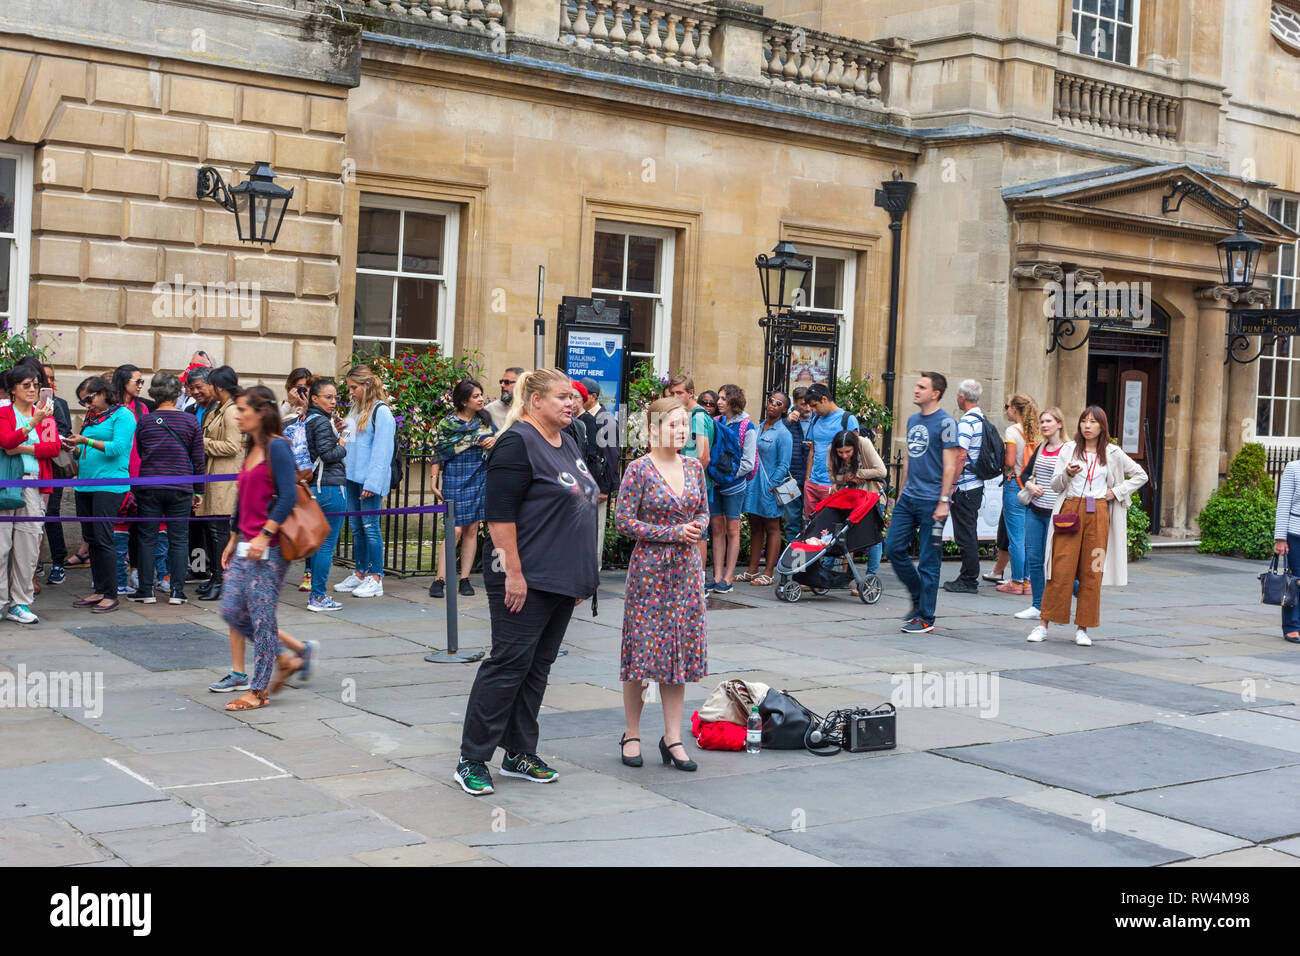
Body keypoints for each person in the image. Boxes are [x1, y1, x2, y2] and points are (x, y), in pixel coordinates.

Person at [455, 368, 599, 796]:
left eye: (572, 397)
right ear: (535, 401)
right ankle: (472, 758)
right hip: (522, 576)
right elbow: (499, 516)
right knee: (508, 664)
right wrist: (513, 573)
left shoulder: (568, 440)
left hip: (560, 579)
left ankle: (518, 751)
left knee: (537, 667)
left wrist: (576, 580)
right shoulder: (517, 442)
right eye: (560, 397)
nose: (570, 403)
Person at [616, 397, 708, 771]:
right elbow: (623, 521)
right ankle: (632, 733)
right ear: (653, 429)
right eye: (674, 425)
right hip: (650, 573)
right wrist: (671, 532)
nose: (681, 431)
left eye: (684, 425)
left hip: (685, 571)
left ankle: (673, 738)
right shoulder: (639, 469)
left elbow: (703, 509)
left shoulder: (693, 468)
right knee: (641, 655)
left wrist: (697, 526)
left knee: (678, 656)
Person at [218, 386, 318, 711]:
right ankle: (285, 658)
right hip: (247, 543)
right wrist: (234, 538)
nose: (237, 414)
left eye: (243, 409)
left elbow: (287, 496)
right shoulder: (253, 447)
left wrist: (264, 535)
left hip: (269, 546)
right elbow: (243, 498)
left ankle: (258, 690)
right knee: (232, 610)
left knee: (262, 617)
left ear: (260, 412)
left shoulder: (277, 447)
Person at [1028, 406, 1147, 646]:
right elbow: (1055, 485)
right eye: (1084, 421)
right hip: (1071, 510)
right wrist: (1068, 474)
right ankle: (1044, 624)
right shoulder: (1069, 450)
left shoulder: (1112, 452)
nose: (1087, 426)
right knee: (1060, 568)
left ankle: (1083, 628)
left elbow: (1140, 475)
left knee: (1092, 571)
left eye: (1093, 422)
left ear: (1102, 426)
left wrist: (1116, 491)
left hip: (1099, 512)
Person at [885, 373, 959, 634]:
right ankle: (919, 596)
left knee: (929, 561)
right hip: (909, 498)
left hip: (932, 501)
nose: (915, 390)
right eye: (917, 385)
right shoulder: (913, 419)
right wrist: (900, 494)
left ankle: (926, 617)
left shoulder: (947, 423)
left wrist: (943, 501)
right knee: (892, 547)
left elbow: (951, 465)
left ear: (935, 393)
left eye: (921, 387)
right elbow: (908, 459)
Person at [133, 372, 204, 606]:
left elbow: (142, 453)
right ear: (177, 395)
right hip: (180, 486)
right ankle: (176, 591)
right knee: (179, 539)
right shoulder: (190, 421)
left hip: (149, 484)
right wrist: (199, 491)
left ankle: (146, 590)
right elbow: (198, 459)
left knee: (147, 538)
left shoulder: (144, 421)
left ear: (154, 394)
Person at [68, 376, 136, 614]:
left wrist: (85, 439)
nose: (87, 405)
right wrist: (74, 448)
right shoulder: (93, 417)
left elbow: (118, 448)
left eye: (89, 399)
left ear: (102, 392)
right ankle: (99, 589)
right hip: (85, 484)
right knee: (92, 538)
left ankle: (111, 593)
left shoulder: (123, 415)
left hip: (110, 485)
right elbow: (84, 451)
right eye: (83, 401)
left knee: (104, 537)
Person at [0, 367, 59, 623]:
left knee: (28, 545)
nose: (33, 389)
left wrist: (23, 447)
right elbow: (5, 440)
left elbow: (53, 447)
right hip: (5, 484)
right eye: (26, 385)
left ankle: (20, 603)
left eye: (35, 384)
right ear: (12, 389)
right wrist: (30, 427)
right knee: (1, 547)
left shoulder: (45, 415)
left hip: (33, 485)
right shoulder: (3, 413)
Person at [428, 379, 496, 599]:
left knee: (472, 529)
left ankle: (464, 579)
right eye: (476, 396)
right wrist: (433, 480)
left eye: (481, 395)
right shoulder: (447, 424)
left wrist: (492, 441)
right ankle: (440, 578)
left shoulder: (484, 420)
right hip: (455, 476)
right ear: (464, 399)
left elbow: (495, 442)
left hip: (479, 476)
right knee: (453, 529)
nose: (480, 399)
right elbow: (438, 451)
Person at [335, 364, 396, 600]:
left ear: (366, 385)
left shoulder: (382, 412)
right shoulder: (355, 409)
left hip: (368, 480)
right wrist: (340, 429)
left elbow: (383, 452)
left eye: (353, 387)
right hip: (351, 477)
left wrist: (372, 484)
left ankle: (376, 576)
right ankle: (360, 572)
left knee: (371, 528)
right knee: (357, 528)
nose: (350, 392)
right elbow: (349, 440)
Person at [196, 366, 242, 608]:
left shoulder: (232, 411)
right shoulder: (218, 409)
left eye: (211, 385)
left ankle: (224, 580)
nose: (208, 389)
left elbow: (232, 446)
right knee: (214, 532)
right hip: (215, 476)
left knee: (220, 532)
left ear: (220, 387)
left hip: (226, 479)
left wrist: (201, 442)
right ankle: (216, 576)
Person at [1015, 406, 1066, 621]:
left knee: (1057, 562)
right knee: (1035, 559)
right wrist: (1029, 485)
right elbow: (1025, 473)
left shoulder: (1069, 449)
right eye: (1042, 421)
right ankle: (1037, 606)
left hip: (1057, 514)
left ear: (1059, 424)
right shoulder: (1041, 447)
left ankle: (1080, 590)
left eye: (1048, 421)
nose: (1044, 425)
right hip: (1035, 510)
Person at [303, 377, 348, 612]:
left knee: (318, 544)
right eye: (328, 397)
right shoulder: (320, 421)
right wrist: (342, 443)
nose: (333, 401)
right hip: (329, 487)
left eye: (335, 397)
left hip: (315, 487)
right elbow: (329, 454)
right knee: (326, 545)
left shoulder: (309, 418)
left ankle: (317, 594)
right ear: (314, 398)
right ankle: (318, 596)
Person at [738, 391, 792, 587]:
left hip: (769, 487)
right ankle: (752, 570)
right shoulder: (758, 427)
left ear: (784, 409)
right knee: (755, 526)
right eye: (771, 401)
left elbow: (784, 465)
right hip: (753, 485)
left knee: (772, 526)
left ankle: (769, 572)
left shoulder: (783, 433)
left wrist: (772, 486)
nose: (773, 405)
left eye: (779, 403)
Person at [707, 384, 757, 594]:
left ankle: (728, 577)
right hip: (715, 483)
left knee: (732, 530)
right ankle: (717, 576)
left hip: (734, 485)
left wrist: (727, 476)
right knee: (716, 529)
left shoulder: (747, 426)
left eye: (723, 398)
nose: (719, 402)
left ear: (734, 401)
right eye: (719, 398)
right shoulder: (716, 422)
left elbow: (748, 462)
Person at [993, 393, 1041, 597]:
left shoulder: (1012, 431)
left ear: (1015, 409)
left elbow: (1011, 463)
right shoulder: (1037, 432)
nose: (1006, 410)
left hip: (1015, 485)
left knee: (1016, 538)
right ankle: (1029, 582)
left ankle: (1016, 581)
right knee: (1030, 537)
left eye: (1007, 406)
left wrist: (1002, 461)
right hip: (1033, 488)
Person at [827, 426, 887, 582]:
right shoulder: (831, 449)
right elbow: (833, 477)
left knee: (873, 537)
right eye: (841, 453)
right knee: (838, 532)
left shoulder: (863, 444)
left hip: (871, 495)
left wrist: (858, 474)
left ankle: (870, 577)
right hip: (849, 496)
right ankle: (827, 572)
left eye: (848, 452)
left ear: (854, 447)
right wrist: (847, 478)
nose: (844, 456)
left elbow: (881, 471)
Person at [943, 379, 985, 594]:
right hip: (976, 485)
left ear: (961, 397)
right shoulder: (981, 418)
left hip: (966, 487)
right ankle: (968, 576)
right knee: (969, 531)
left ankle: (969, 579)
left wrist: (951, 484)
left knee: (965, 534)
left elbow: (960, 456)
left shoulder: (967, 422)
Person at [666, 375, 713, 566]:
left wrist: (688, 482)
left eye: (679, 393)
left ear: (691, 393)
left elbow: (704, 456)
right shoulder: (687, 414)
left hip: (695, 483)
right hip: (689, 480)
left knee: (698, 532)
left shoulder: (698, 417)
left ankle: (699, 578)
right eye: (672, 393)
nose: (675, 397)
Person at [801, 383, 859, 519]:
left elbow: (855, 453)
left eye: (815, 405)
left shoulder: (847, 419)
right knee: (811, 528)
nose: (813, 410)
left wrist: (839, 482)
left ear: (825, 399)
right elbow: (812, 450)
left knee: (831, 528)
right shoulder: (815, 420)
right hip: (813, 483)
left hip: (833, 485)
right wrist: (807, 479)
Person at [580, 378, 620, 569]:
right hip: (583, 484)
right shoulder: (581, 418)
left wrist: (604, 488)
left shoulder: (607, 420)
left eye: (581, 395)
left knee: (596, 530)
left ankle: (592, 571)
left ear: (593, 396)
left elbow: (612, 457)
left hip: (598, 486)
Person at [279, 367, 313, 593]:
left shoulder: (319, 408)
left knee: (310, 525)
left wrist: (308, 407)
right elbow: (276, 431)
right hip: (288, 473)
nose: (302, 391)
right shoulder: (284, 407)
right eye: (297, 387)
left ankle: (309, 574)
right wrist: (291, 406)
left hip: (310, 473)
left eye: (306, 387)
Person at [40, 364, 73, 586]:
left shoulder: (59, 404)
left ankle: (58, 561)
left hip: (53, 467)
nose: (50, 382)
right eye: (46, 378)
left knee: (51, 513)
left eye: (52, 378)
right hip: (32, 465)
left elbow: (65, 432)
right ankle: (35, 563)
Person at [783, 385, 812, 543]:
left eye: (809, 403)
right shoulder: (787, 419)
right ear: (794, 403)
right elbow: (774, 433)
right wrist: (787, 420)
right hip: (790, 479)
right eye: (803, 404)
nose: (807, 407)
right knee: (792, 522)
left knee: (811, 521)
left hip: (811, 478)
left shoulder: (817, 419)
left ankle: (810, 562)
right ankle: (795, 563)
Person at [484, 367, 523, 431]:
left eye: (507, 382)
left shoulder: (530, 409)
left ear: (520, 384)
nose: (502, 385)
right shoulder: (489, 410)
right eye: (501, 381)